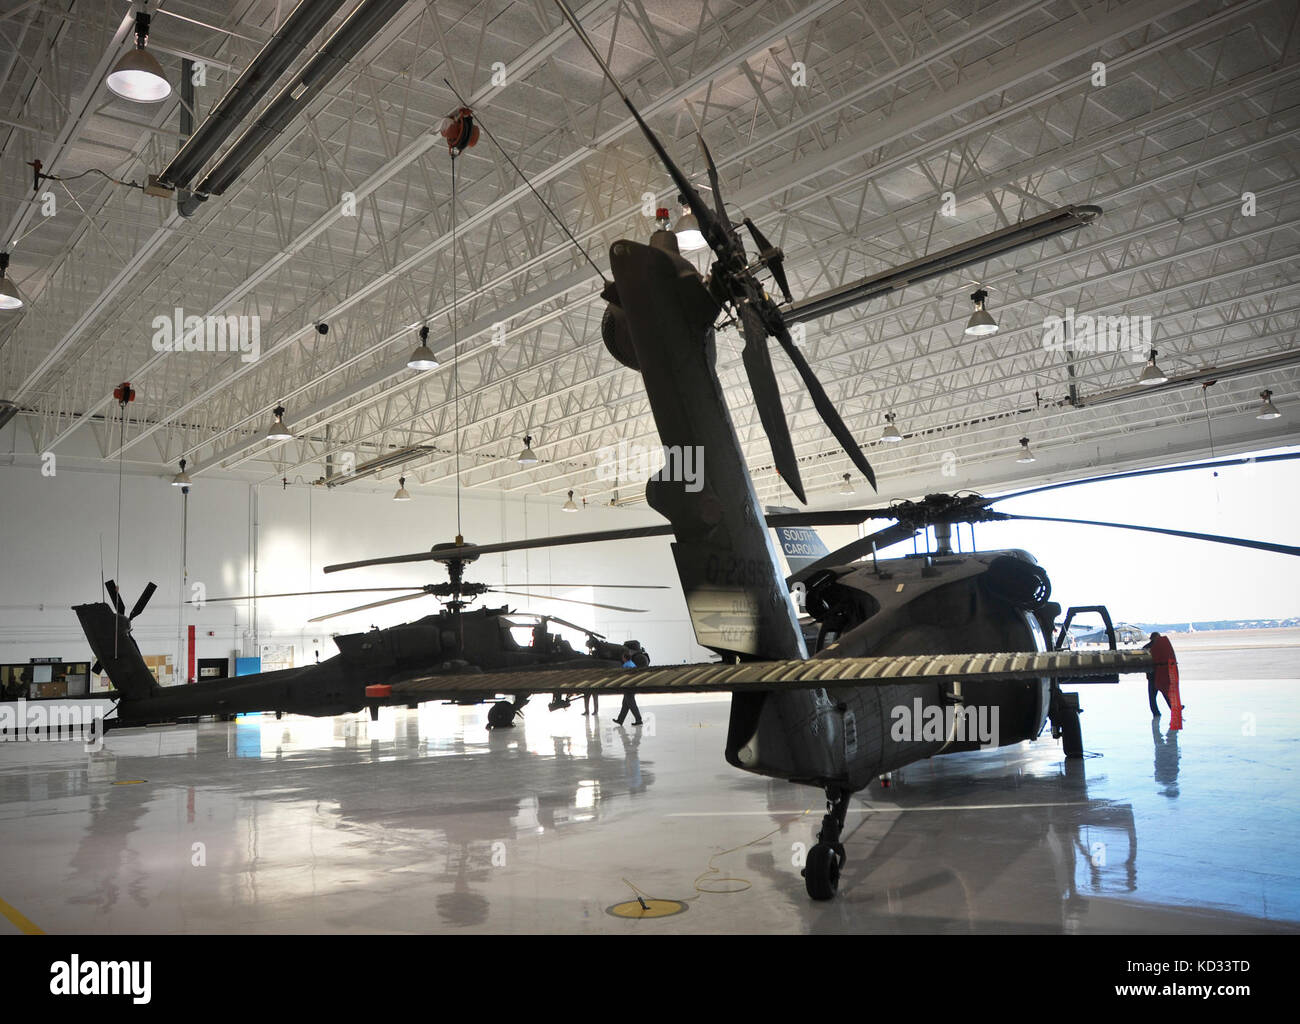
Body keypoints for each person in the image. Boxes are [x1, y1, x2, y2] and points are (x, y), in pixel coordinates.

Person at [1143, 632, 1183, 730]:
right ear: (1157, 637)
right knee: (1166, 693)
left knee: (1153, 698)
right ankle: (1174, 709)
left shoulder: (1146, 647)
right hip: (1160, 675)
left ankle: (1156, 714)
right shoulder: (1163, 646)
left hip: (1152, 676)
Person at [613, 646, 643, 726]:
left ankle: (638, 719)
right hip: (632, 686)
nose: (622, 659)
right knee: (625, 705)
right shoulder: (632, 664)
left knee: (631, 704)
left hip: (628, 687)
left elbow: (623, 677)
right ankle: (620, 720)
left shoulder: (626, 665)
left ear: (625, 658)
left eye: (623, 657)